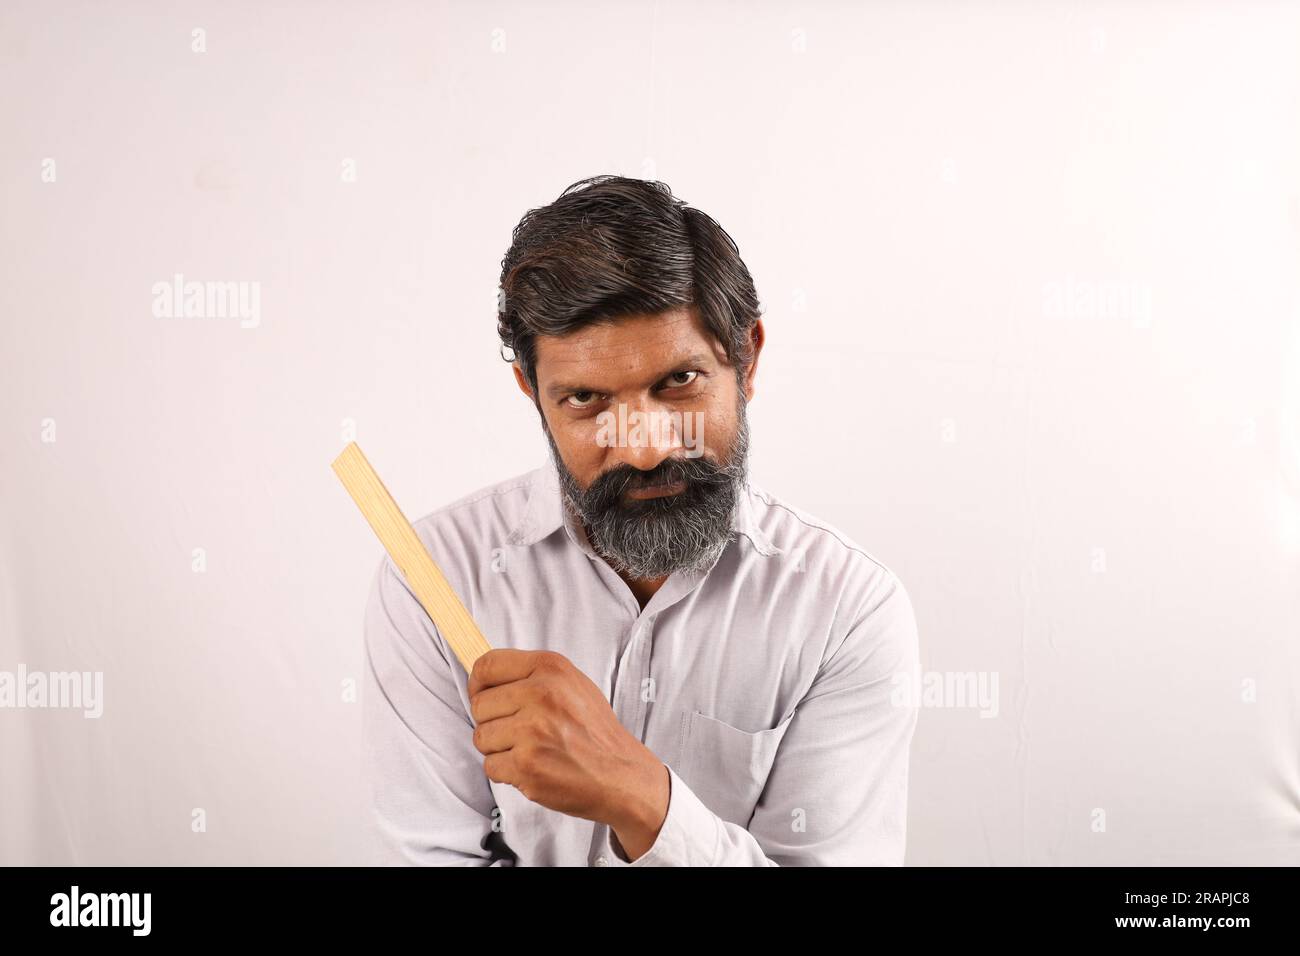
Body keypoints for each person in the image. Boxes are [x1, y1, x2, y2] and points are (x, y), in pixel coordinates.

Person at [361, 175, 921, 866]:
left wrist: (639, 797)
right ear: (533, 393)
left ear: (747, 360)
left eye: (678, 382)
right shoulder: (433, 579)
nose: (645, 446)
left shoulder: (849, 611)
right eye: (588, 399)